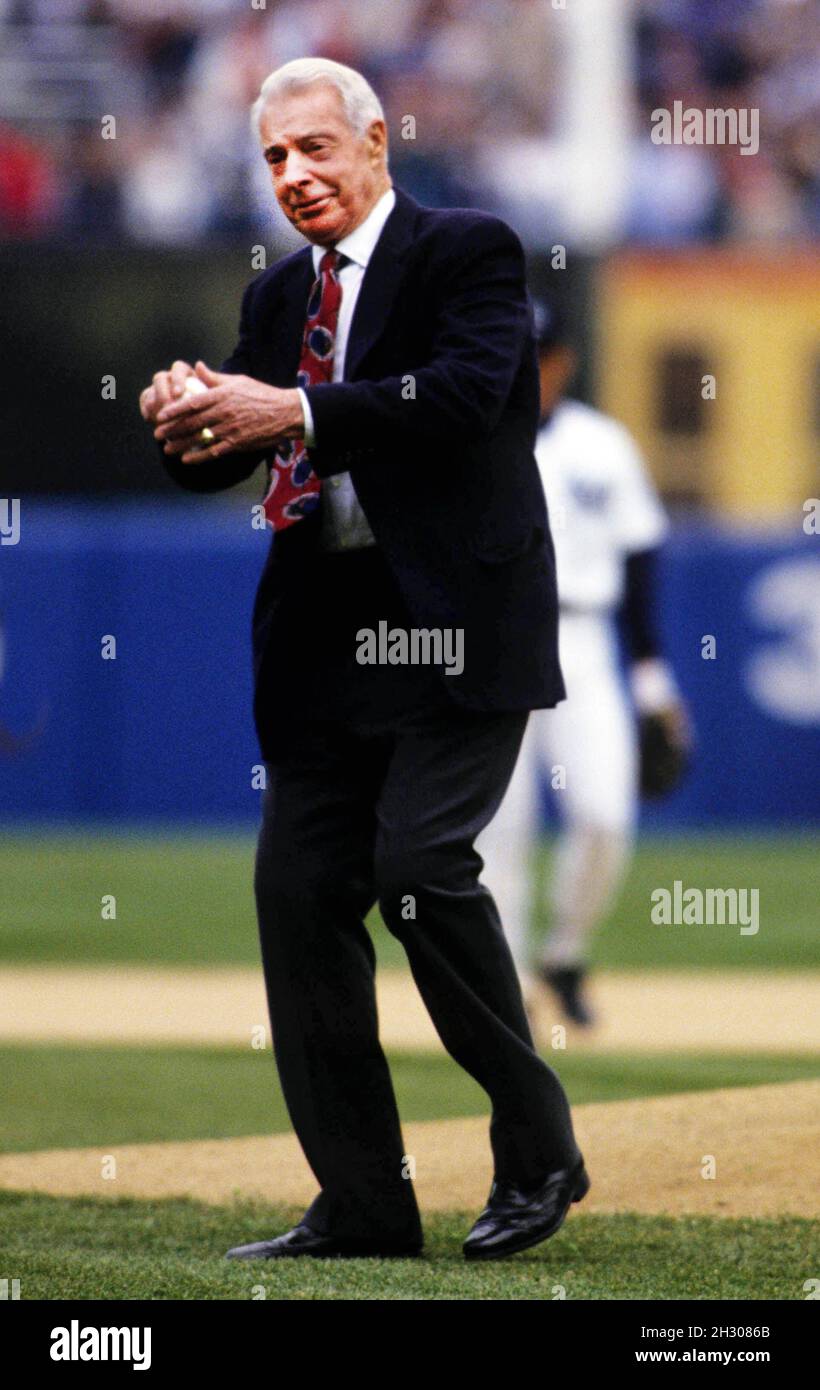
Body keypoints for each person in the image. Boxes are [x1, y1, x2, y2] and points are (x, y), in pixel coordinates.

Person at [138, 59, 588, 1261]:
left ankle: (538, 1143)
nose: (293, 174)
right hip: (325, 644)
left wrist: (290, 409)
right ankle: (366, 1205)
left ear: (376, 139)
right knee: (297, 899)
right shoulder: (282, 292)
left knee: (420, 869)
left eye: (313, 148)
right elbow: (230, 452)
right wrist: (186, 417)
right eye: (273, 157)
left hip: (453, 629)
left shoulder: (469, 249)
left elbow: (463, 396)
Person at [477, 299, 689, 1027]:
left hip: (583, 639)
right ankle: (505, 994)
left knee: (603, 813)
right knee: (497, 833)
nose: (530, 369)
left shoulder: (605, 445)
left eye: (541, 356)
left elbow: (640, 567)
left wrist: (653, 680)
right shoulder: (467, 437)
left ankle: (564, 953)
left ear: (563, 361)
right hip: (492, 644)